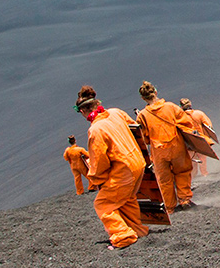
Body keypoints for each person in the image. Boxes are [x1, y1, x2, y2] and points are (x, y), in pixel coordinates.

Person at [75, 86, 149, 250]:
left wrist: (96, 179)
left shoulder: (96, 129)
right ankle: (138, 230)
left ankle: (123, 236)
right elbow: (135, 128)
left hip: (123, 170)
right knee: (126, 198)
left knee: (103, 204)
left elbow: (100, 160)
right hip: (138, 164)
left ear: (83, 111)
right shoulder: (116, 112)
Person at [136, 81, 199, 212]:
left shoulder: (142, 115)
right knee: (182, 172)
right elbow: (186, 123)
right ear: (156, 92)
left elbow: (144, 136)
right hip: (176, 146)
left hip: (158, 151)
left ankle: (170, 206)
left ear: (143, 98)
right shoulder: (170, 107)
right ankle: (184, 199)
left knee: (164, 179)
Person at [180, 97, 213, 178]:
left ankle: (193, 178)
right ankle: (204, 175)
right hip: (200, 140)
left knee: (192, 162)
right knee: (202, 160)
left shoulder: (180, 117)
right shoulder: (199, 113)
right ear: (190, 104)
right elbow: (209, 126)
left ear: (181, 107)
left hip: (188, 144)